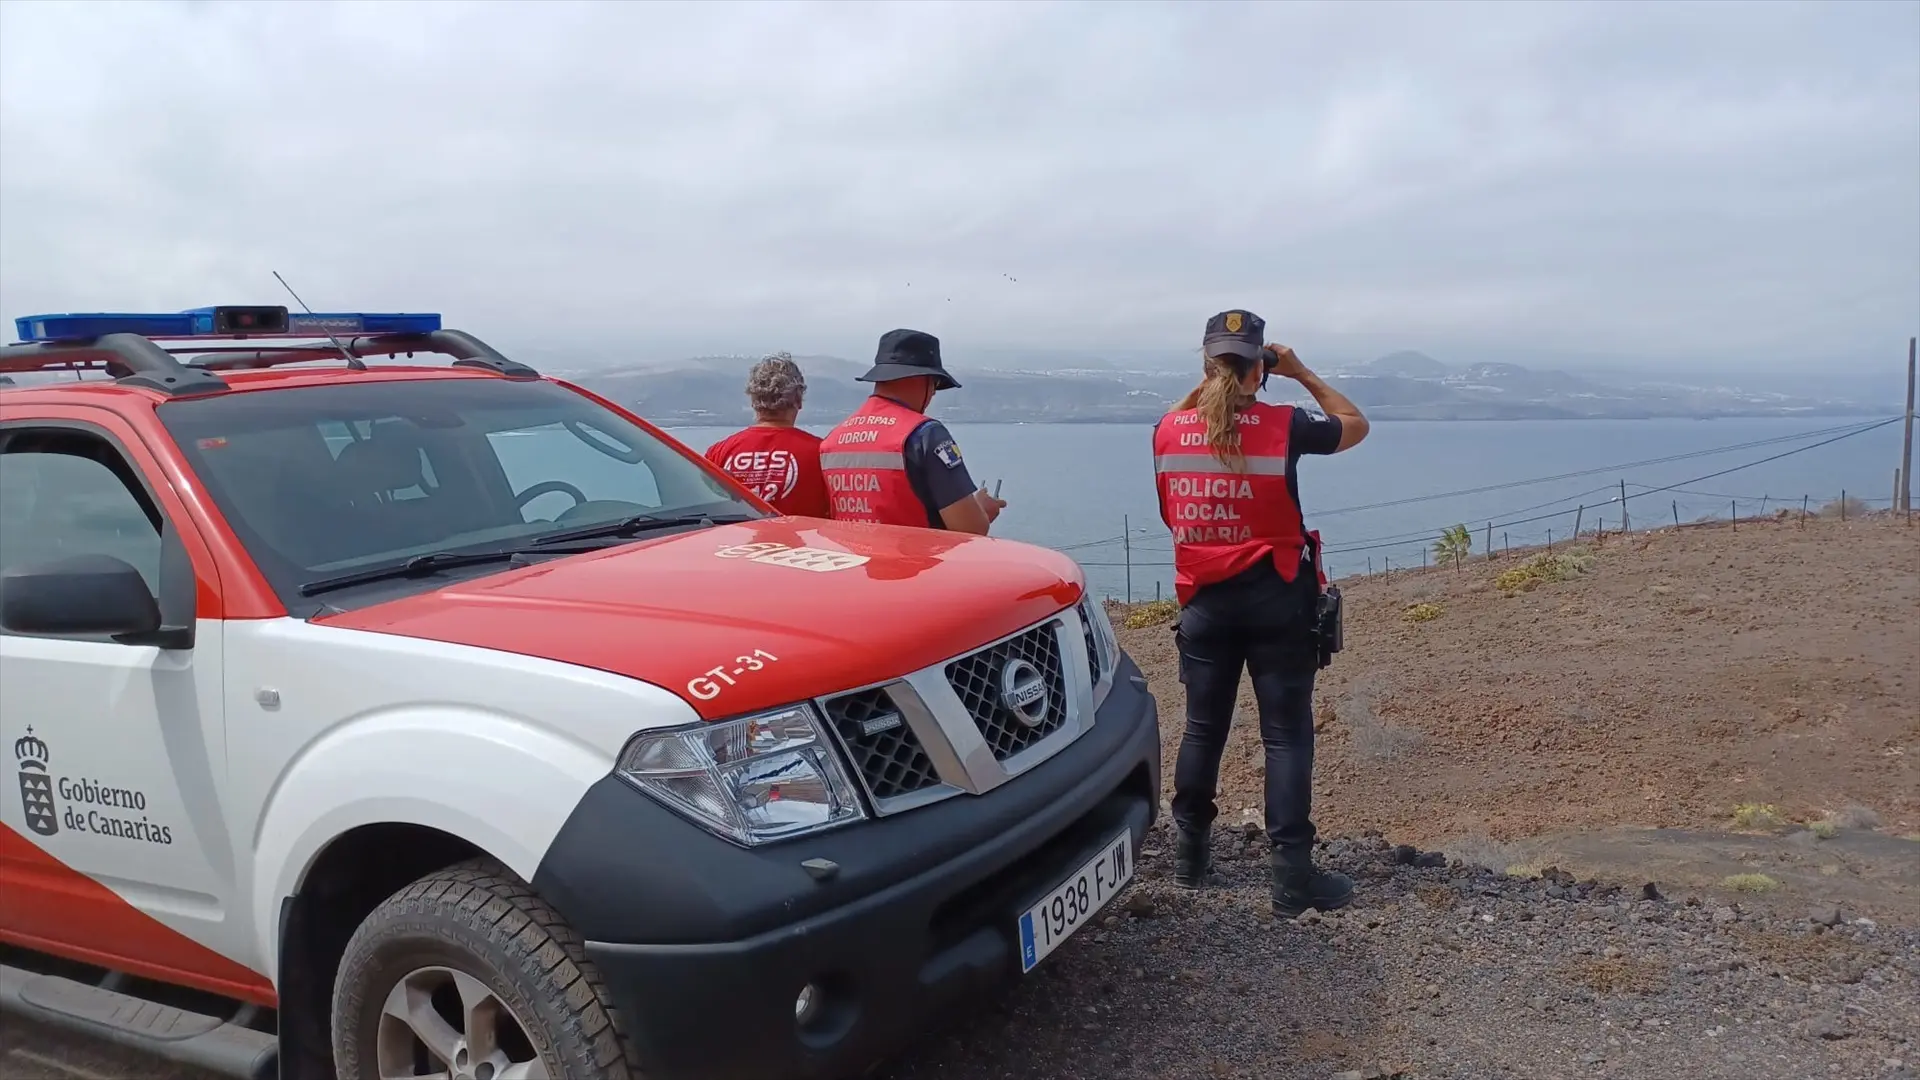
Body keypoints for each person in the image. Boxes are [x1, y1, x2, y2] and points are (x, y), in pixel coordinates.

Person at [1152, 308, 1370, 918]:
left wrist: (1211, 384)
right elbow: (1355, 425)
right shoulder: (1284, 425)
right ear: (1259, 371)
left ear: (1206, 366)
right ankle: (1291, 880)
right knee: (1285, 735)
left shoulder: (1168, 430)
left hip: (1204, 602)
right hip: (1278, 600)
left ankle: (1190, 860)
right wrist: (1300, 371)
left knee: (1202, 729)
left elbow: (1172, 476)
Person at [819, 328, 1007, 534]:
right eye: (935, 384)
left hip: (854, 554)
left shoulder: (832, 440)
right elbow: (971, 528)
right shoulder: (926, 435)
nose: (933, 393)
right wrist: (982, 510)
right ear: (921, 379)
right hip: (913, 555)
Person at [703, 352, 831, 518]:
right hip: (802, 535)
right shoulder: (821, 454)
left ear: (753, 401)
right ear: (798, 399)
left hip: (737, 535)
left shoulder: (717, 454)